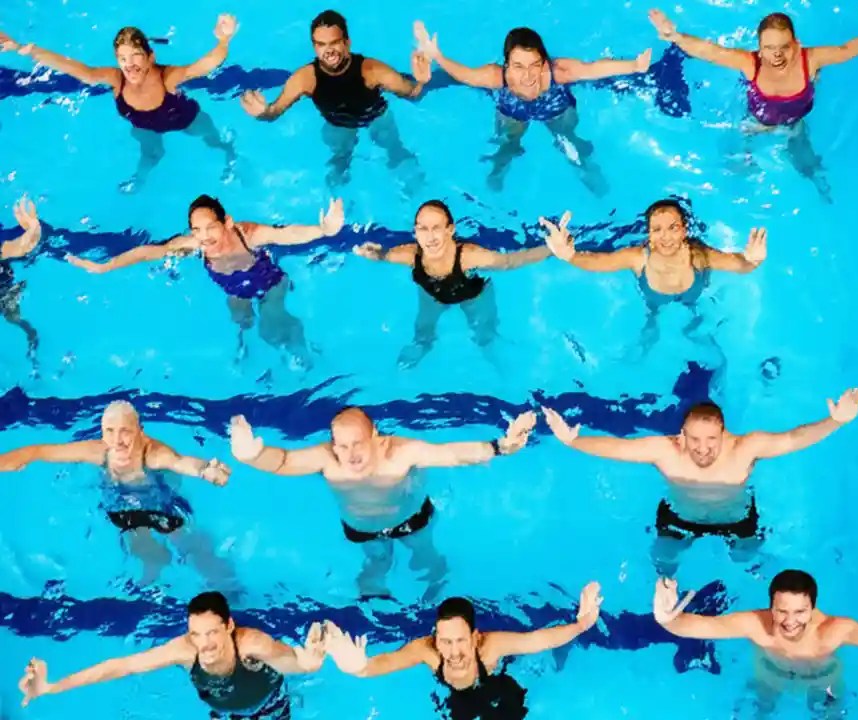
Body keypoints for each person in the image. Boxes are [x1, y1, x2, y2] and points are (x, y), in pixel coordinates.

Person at [541, 388, 858, 577]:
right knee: (664, 565)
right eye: (694, 439)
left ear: (725, 434)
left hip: (736, 520)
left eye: (711, 440)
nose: (703, 448)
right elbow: (618, 448)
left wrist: (835, 421)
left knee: (744, 561)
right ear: (682, 436)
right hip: (679, 519)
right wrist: (574, 442)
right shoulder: (666, 450)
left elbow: (793, 438)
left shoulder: (745, 448)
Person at [228, 406, 535, 601]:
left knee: (426, 555)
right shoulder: (327, 459)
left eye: (357, 443)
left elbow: (451, 454)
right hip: (361, 528)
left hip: (410, 520)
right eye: (343, 446)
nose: (350, 454)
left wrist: (500, 446)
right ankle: (376, 601)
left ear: (374, 435)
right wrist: (252, 456)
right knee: (377, 562)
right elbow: (283, 461)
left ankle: (437, 586)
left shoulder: (400, 453)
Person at [647, 4, 858, 201]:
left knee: (810, 169)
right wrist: (676, 36)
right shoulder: (750, 63)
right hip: (756, 122)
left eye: (783, 47)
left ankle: (821, 191)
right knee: (737, 166)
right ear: (759, 48)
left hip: (795, 124)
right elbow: (711, 51)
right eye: (769, 48)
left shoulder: (809, 59)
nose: (776, 55)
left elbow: (845, 50)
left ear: (796, 45)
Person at [65, 194, 344, 369]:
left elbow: (288, 234)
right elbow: (150, 252)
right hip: (235, 290)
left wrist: (323, 230)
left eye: (211, 227)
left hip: (270, 283)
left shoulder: (248, 235)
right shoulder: (194, 245)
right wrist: (107, 266)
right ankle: (245, 344)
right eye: (197, 230)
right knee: (241, 319)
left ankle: (302, 350)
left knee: (271, 324)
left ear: (227, 222)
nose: (205, 237)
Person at [0, 401, 236, 590]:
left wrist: (206, 471)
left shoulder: (153, 454)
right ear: (103, 433)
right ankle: (156, 577)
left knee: (190, 547)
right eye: (110, 432)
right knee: (144, 551)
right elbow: (38, 451)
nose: (117, 440)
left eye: (125, 432)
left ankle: (229, 587)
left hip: (162, 502)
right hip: (123, 505)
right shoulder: (98, 451)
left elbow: (181, 462)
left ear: (140, 432)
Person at [654, 570, 858, 718]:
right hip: (770, 676)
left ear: (813, 609)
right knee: (762, 709)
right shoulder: (756, 625)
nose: (790, 620)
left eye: (799, 612)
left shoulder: (832, 632)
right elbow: (699, 627)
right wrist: (667, 618)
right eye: (781, 610)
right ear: (771, 607)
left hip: (822, 683)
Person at [0, 17, 239, 190]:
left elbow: (203, 65)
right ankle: (140, 179)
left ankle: (230, 155)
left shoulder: (168, 77)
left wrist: (223, 40)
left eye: (136, 56)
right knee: (151, 154)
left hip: (184, 118)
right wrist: (25, 49)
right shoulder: (116, 80)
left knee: (213, 140)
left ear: (150, 57)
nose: (130, 65)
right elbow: (77, 69)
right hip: (144, 125)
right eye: (123, 58)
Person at [412, 22, 651, 193]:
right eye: (518, 66)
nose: (527, 75)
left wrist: (634, 66)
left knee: (568, 137)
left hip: (555, 107)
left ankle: (585, 167)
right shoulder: (496, 76)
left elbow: (594, 69)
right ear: (507, 64)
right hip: (513, 110)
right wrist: (438, 57)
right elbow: (466, 75)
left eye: (534, 65)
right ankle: (499, 169)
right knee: (508, 142)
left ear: (543, 61)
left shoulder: (558, 71)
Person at [18, 591, 325, 719]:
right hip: (223, 712)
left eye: (212, 632)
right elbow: (122, 666)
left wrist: (307, 663)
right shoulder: (184, 651)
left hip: (269, 705)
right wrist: (52, 687)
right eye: (196, 634)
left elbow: (290, 661)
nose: (203, 644)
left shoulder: (251, 645)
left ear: (229, 626)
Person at [324, 582, 602, 720]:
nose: (453, 652)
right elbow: (388, 660)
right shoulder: (428, 651)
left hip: (498, 690)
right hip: (460, 700)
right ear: (436, 637)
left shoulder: (491, 647)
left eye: (460, 641)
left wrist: (581, 625)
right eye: (446, 641)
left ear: (474, 637)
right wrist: (359, 668)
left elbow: (538, 640)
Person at [542, 199, 765, 359]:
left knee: (695, 320)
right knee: (652, 323)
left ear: (684, 231)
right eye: (657, 229)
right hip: (654, 299)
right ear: (648, 233)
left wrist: (753, 261)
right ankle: (648, 338)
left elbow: (739, 266)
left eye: (673, 228)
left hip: (692, 295)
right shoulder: (638, 258)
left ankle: (692, 331)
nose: (665, 237)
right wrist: (568, 255)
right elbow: (599, 262)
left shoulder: (699, 256)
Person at [239, 10, 429, 190]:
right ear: (314, 47)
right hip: (337, 124)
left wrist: (420, 82)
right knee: (338, 163)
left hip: (375, 116)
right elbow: (274, 111)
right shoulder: (306, 79)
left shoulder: (372, 71)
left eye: (334, 43)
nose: (328, 51)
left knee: (395, 150)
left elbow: (412, 93)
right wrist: (263, 113)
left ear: (347, 43)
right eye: (321, 44)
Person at [353, 200, 552, 368]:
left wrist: (553, 248)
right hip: (432, 294)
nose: (429, 237)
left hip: (473, 294)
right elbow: (385, 254)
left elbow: (510, 262)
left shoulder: (468, 256)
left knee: (484, 334)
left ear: (450, 230)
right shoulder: (410, 255)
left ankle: (494, 357)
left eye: (436, 228)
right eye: (422, 228)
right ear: (415, 231)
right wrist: (377, 254)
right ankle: (422, 346)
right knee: (423, 330)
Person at [1, 197, 41, 367]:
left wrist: (33, 228)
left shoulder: (3, 250)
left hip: (7, 289)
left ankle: (30, 335)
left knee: (12, 316)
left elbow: (23, 246)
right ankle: (30, 334)